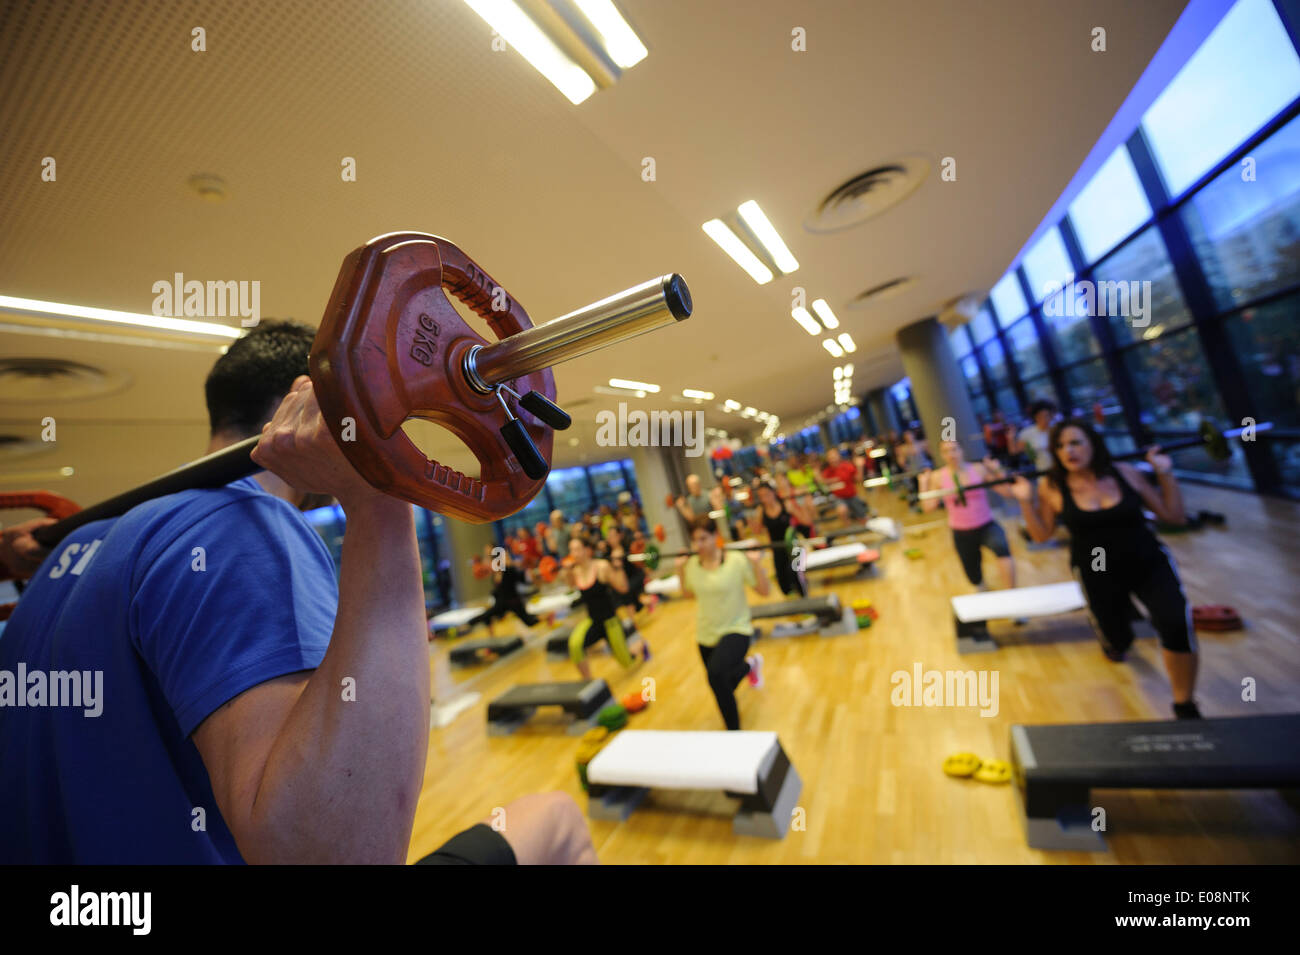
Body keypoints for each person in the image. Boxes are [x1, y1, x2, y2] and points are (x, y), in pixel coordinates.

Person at [0, 321, 594, 864]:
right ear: (306, 396)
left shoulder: (81, 549)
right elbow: (331, 855)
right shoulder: (241, 526)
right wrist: (377, 495)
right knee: (557, 818)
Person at [1010, 419, 1200, 719]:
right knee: (1116, 638)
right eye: (1060, 446)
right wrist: (1025, 501)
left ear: (1093, 444)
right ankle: (1115, 641)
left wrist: (1165, 472)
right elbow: (1041, 535)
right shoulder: (1052, 486)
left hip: (1146, 561)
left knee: (1175, 622)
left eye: (1075, 443)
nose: (1067, 451)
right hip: (1097, 569)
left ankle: (1184, 705)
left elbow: (1174, 516)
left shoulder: (1126, 473)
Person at [676, 517, 769, 731]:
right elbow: (688, 594)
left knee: (716, 676)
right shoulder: (692, 565)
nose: (698, 545)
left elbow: (764, 591)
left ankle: (734, 733)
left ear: (715, 536)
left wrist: (756, 563)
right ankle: (748, 666)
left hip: (737, 629)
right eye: (694, 540)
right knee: (721, 685)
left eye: (703, 539)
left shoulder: (736, 560)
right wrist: (680, 570)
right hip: (705, 634)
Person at [918, 440, 1018, 592]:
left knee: (1002, 550)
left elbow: (1007, 492)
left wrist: (998, 471)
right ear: (942, 455)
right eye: (946, 451)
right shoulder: (938, 477)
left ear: (961, 450)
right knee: (974, 576)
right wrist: (923, 484)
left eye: (954, 449)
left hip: (986, 525)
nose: (951, 454)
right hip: (961, 532)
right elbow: (928, 507)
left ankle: (1013, 597)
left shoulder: (978, 470)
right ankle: (983, 596)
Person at [563, 535, 651, 680]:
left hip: (610, 621)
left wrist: (618, 566)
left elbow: (623, 588)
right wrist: (566, 571)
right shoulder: (575, 571)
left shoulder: (601, 567)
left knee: (628, 662)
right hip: (593, 620)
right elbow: (571, 585)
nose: (574, 554)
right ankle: (588, 681)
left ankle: (642, 644)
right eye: (571, 550)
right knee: (574, 645)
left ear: (587, 550)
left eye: (577, 549)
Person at [749, 481, 808, 599]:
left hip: (794, 546)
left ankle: (805, 600)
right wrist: (753, 519)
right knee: (783, 583)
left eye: (766, 494)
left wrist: (796, 510)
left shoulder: (785, 505)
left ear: (773, 493)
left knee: (795, 575)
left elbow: (805, 522)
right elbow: (756, 531)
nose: (765, 498)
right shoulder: (761, 511)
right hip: (777, 549)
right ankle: (795, 608)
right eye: (761, 496)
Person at [468, 548, 540, 636]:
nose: (507, 558)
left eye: (507, 557)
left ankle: (547, 617)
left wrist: (530, 575)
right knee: (486, 616)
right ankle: (473, 628)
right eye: (505, 557)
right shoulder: (497, 572)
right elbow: (495, 587)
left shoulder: (510, 570)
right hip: (502, 603)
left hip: (514, 602)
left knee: (530, 622)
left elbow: (522, 578)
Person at [820, 447, 867, 523]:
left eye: (834, 456)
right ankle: (848, 529)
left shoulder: (847, 466)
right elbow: (823, 482)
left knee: (862, 518)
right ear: (828, 459)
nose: (833, 459)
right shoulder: (827, 471)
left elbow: (858, 479)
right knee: (842, 510)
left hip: (852, 496)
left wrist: (860, 466)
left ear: (839, 456)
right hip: (839, 498)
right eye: (830, 458)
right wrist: (829, 481)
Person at [1011, 399, 1058, 473]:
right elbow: (1015, 451)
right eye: (1041, 416)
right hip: (1043, 470)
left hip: (1061, 469)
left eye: (1047, 415)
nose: (1045, 419)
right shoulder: (1028, 433)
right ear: (1035, 417)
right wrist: (1010, 438)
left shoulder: (1057, 429)